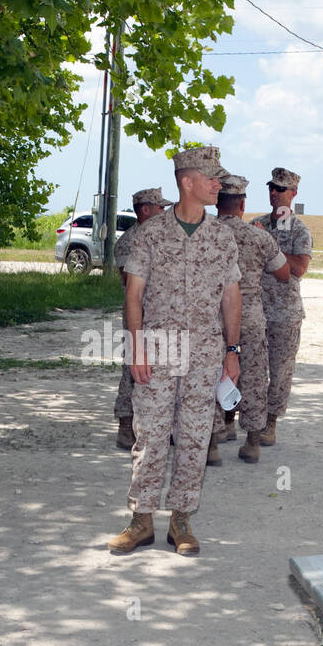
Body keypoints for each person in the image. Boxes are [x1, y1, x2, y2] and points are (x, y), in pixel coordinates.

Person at [108, 146, 241, 556]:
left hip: (205, 354)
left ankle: (181, 520)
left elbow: (231, 296)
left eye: (219, 178)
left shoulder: (223, 236)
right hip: (157, 350)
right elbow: (134, 296)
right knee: (149, 435)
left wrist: (232, 351)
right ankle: (141, 520)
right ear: (188, 181)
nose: (219, 185)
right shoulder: (149, 235)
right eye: (211, 178)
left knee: (195, 435)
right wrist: (135, 349)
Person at [210, 175, 289, 464]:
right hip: (251, 314)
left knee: (212, 373)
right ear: (242, 204)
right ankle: (253, 442)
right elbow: (283, 273)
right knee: (255, 374)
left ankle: (212, 444)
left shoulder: (205, 233)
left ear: (217, 204)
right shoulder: (258, 236)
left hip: (214, 314)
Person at [253, 168, 312, 446]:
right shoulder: (256, 224)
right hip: (254, 310)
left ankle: (270, 422)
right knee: (250, 367)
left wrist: (268, 244)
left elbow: (298, 268)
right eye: (271, 188)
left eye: (281, 189)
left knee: (279, 371)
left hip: (284, 314)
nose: (274, 193)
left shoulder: (299, 231)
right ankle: (241, 418)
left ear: (294, 194)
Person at [113, 187, 172, 450]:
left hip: (160, 313)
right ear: (145, 209)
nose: (164, 213)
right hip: (138, 313)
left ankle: (159, 425)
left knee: (163, 367)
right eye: (160, 208)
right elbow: (130, 280)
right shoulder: (129, 241)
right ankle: (126, 425)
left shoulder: (161, 238)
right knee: (132, 368)